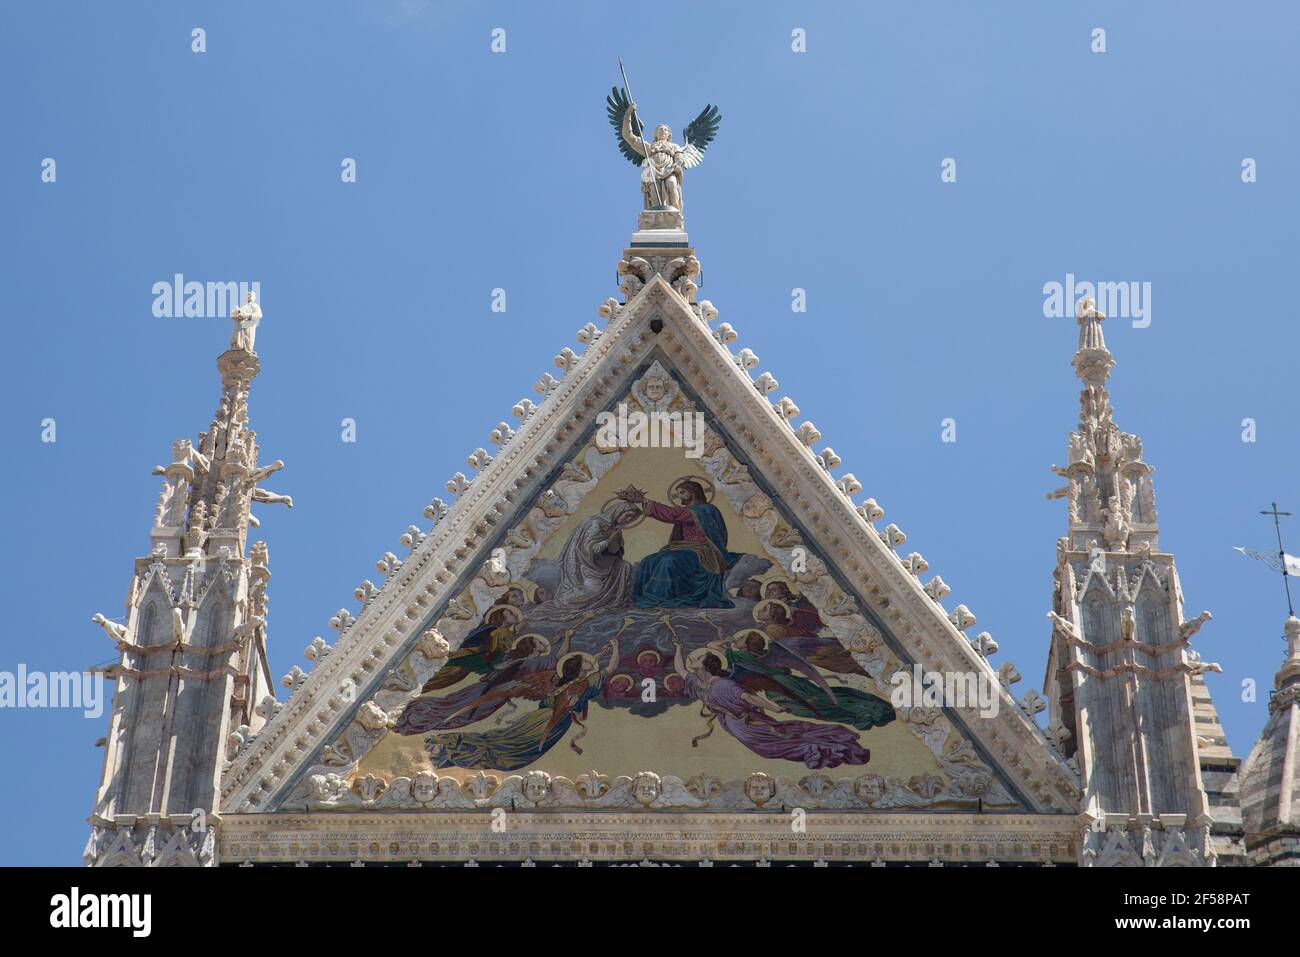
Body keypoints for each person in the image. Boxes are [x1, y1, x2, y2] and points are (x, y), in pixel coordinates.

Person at [620, 481, 741, 608]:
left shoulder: (705, 509)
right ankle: (638, 597)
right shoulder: (689, 510)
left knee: (668, 560)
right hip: (683, 548)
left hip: (704, 551)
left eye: (682, 492)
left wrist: (643, 500)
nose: (680, 497)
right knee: (649, 560)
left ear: (693, 493)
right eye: (678, 494)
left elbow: (672, 514)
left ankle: (655, 598)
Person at [549, 500, 640, 612]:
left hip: (602, 563)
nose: (628, 520)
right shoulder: (595, 524)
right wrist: (610, 538)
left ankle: (617, 601)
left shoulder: (612, 527)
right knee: (594, 591)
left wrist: (616, 539)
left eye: (631, 519)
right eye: (627, 516)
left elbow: (614, 551)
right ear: (618, 511)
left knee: (624, 566)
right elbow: (590, 550)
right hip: (585, 567)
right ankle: (564, 600)